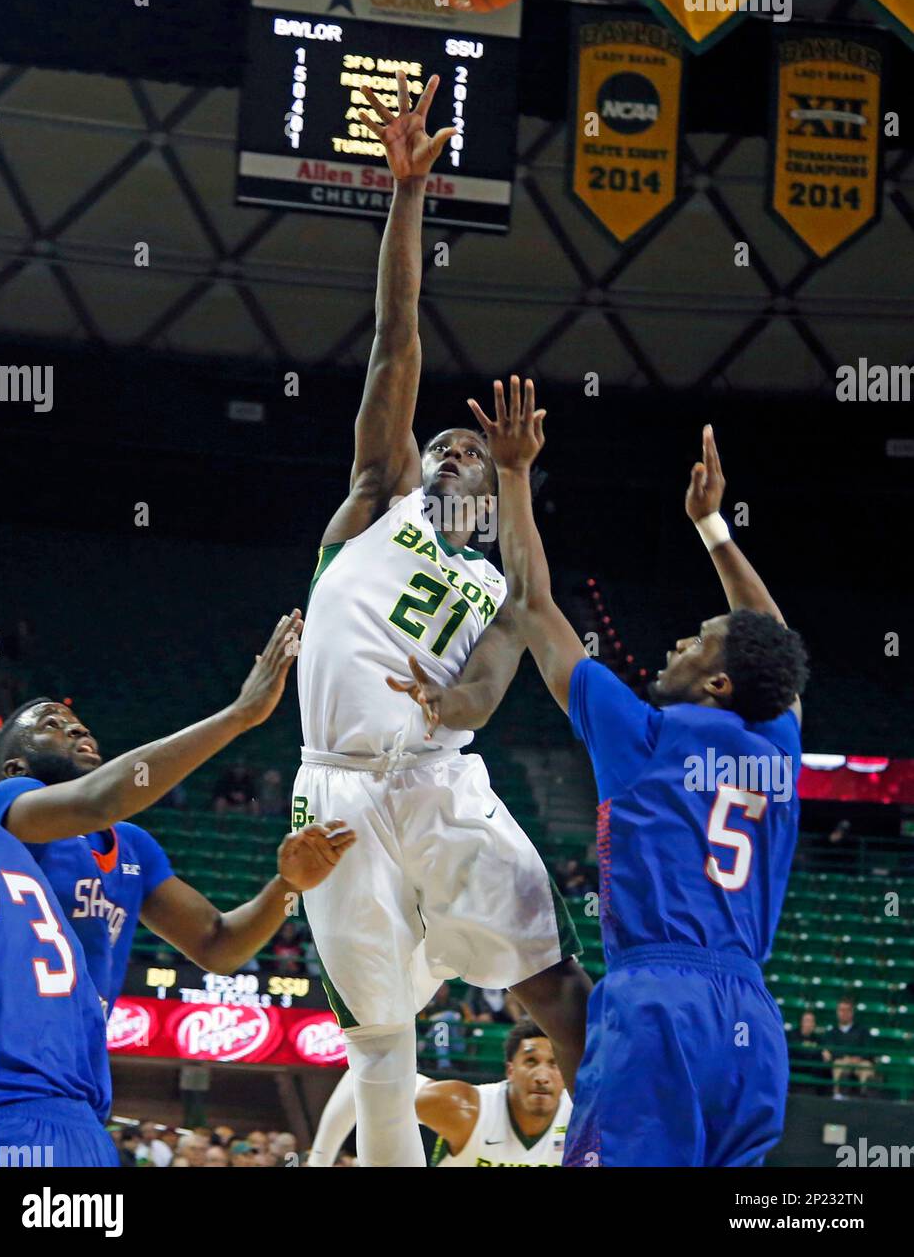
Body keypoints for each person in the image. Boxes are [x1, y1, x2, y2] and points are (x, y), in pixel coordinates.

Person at [288, 74, 589, 1167]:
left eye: (474, 451)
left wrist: (443, 701)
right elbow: (395, 333)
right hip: (338, 782)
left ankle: (627, 1137)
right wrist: (406, 194)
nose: (452, 449)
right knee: (379, 1033)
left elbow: (487, 682)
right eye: (447, 444)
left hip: (439, 775)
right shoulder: (379, 494)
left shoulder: (503, 587)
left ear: (501, 479)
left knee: (548, 967)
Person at [410, 381, 808, 1167]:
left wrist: (517, 474)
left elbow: (528, 600)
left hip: (657, 1004)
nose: (676, 647)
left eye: (697, 643)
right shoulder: (778, 753)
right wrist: (714, 530)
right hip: (752, 1023)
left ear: (719, 683)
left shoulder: (646, 735)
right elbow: (776, 647)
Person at [0, 616, 354, 1167]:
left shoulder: (132, 848)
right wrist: (239, 716)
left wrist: (286, 886)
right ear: (16, 763)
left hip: (78, 1097)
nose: (77, 730)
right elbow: (102, 799)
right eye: (53, 725)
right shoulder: (4, 811)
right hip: (5, 1083)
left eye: (78, 722)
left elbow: (220, 945)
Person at [307, 1020, 571, 1169]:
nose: (542, 1075)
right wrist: (320, 1161)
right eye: (531, 1061)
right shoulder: (464, 1109)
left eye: (554, 1063)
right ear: (511, 1070)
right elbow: (362, 1079)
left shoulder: (582, 1118)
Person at [823, 996, 874, 1099]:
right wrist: (846, 1057)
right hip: (842, 1061)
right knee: (838, 1064)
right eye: (841, 1010)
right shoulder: (832, 1032)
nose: (844, 1013)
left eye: (847, 1010)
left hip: (859, 1062)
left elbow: (868, 1049)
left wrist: (858, 1057)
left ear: (852, 1012)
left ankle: (865, 1096)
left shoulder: (862, 1031)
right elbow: (831, 1050)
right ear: (837, 1012)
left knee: (867, 1066)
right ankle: (838, 1095)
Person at [788, 1010, 828, 1095]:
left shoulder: (818, 1039)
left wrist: (810, 1052)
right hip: (795, 1070)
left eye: (812, 1021)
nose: (809, 1024)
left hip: (813, 1073)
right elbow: (796, 1053)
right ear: (801, 1022)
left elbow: (823, 1056)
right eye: (806, 1021)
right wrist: (815, 1052)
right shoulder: (792, 1035)